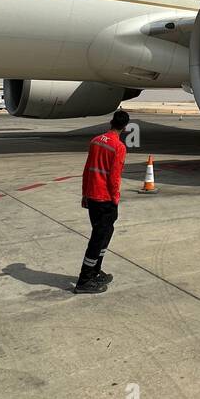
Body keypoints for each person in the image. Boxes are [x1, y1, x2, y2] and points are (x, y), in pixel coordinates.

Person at [74, 110, 129, 294]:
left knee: (105, 233)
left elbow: (87, 169)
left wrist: (84, 193)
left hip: (92, 196)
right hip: (105, 199)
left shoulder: (96, 140)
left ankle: (95, 271)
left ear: (111, 122)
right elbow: (114, 178)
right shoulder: (118, 147)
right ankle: (84, 280)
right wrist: (115, 199)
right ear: (125, 127)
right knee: (98, 238)